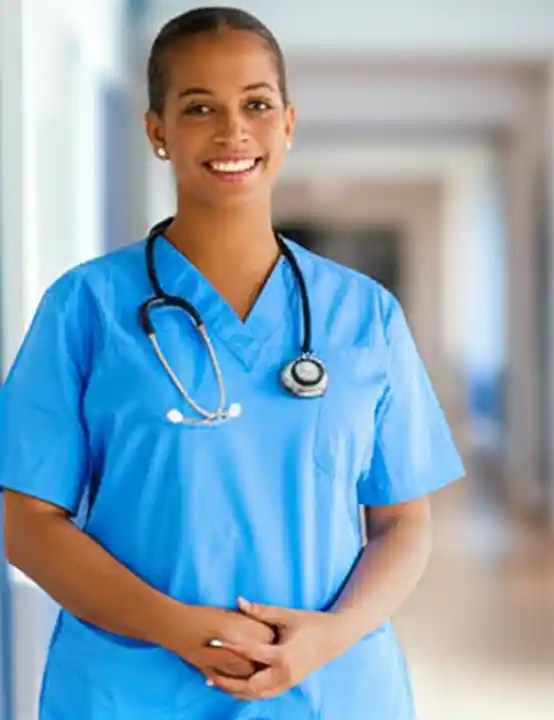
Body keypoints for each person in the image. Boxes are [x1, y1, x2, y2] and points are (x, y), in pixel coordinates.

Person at [0, 7, 465, 718]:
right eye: (199, 108)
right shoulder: (86, 309)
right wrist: (174, 626)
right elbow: (28, 521)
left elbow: (404, 522)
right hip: (134, 690)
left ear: (288, 123)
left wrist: (329, 636)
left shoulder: (363, 316)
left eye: (256, 104)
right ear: (157, 130)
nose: (232, 130)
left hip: (326, 688)